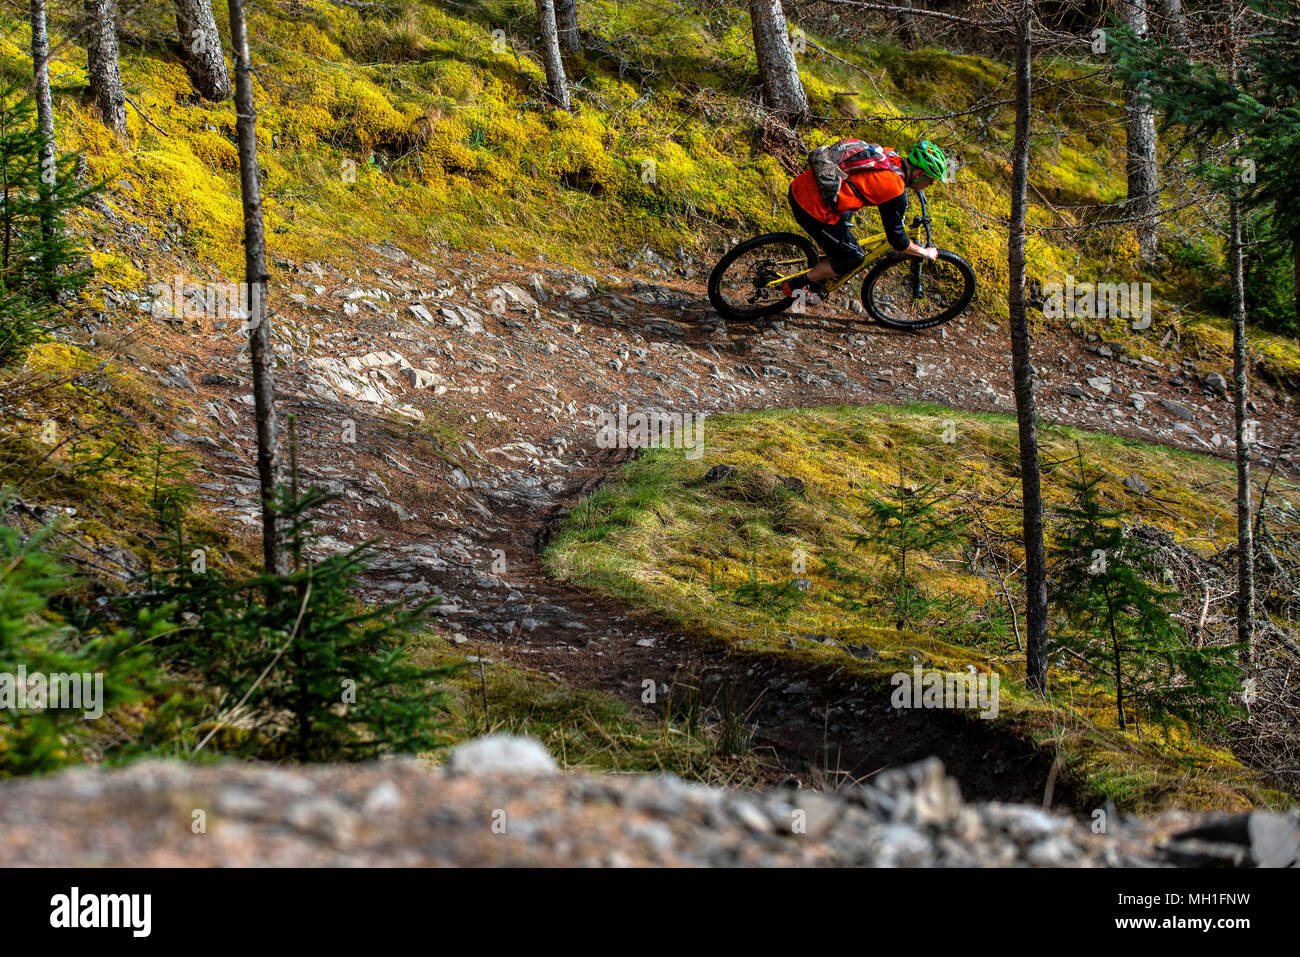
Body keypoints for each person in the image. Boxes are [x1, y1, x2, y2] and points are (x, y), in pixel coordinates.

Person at [783, 140, 947, 299]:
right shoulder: (895, 189)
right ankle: (796, 284)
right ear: (918, 174)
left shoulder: (889, 155)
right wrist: (924, 252)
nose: (930, 185)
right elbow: (897, 241)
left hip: (801, 185)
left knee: (846, 223)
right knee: (854, 257)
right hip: (812, 209)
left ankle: (827, 261)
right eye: (930, 180)